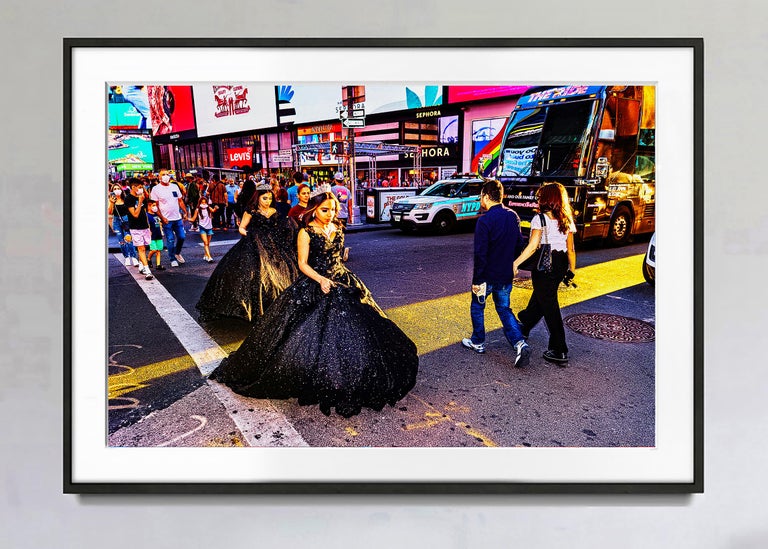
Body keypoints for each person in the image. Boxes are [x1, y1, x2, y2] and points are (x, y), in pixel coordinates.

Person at [208, 189, 419, 418]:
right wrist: (320, 279)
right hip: (315, 282)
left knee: (359, 330)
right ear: (314, 210)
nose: (330, 214)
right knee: (305, 334)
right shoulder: (305, 233)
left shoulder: (338, 227)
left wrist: (340, 269)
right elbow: (302, 264)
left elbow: (338, 256)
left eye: (333, 209)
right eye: (324, 210)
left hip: (341, 280)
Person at [195, 183, 300, 322]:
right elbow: (242, 228)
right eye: (264, 198)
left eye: (269, 198)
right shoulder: (251, 211)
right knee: (254, 274)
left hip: (273, 246)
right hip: (254, 245)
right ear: (258, 198)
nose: (267, 201)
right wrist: (250, 235)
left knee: (278, 274)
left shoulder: (274, 211)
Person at [461, 179, 530, 368]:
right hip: (505, 274)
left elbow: (480, 254)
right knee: (504, 309)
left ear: (485, 196)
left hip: (487, 275)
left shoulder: (484, 221)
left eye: (480, 196)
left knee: (477, 307)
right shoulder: (512, 216)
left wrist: (477, 280)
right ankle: (519, 343)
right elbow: (519, 244)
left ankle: (478, 341)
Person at [513, 182, 577, 365]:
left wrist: (515, 263)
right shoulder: (567, 220)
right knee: (543, 296)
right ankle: (525, 323)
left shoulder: (539, 219)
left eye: (540, 196)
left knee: (550, 305)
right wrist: (571, 270)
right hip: (561, 264)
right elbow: (571, 249)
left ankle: (559, 349)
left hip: (545, 265)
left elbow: (533, 246)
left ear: (546, 199)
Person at [150, 170, 187, 267]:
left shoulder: (174, 186)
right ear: (159, 177)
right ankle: (172, 258)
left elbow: (180, 201)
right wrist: (162, 218)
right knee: (170, 239)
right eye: (163, 175)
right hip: (166, 219)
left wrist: (185, 212)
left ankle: (177, 252)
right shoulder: (156, 189)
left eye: (167, 174)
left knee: (182, 237)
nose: (166, 176)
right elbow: (155, 206)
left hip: (177, 218)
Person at [123, 178, 154, 280]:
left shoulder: (142, 197)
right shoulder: (128, 199)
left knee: (144, 247)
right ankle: (147, 270)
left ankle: (141, 264)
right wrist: (140, 202)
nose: (142, 189)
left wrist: (149, 226)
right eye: (140, 187)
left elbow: (144, 213)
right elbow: (135, 214)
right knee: (140, 248)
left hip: (144, 226)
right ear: (133, 187)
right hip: (135, 227)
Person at [107, 183, 139, 267]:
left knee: (128, 239)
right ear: (112, 191)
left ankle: (133, 257)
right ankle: (127, 257)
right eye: (115, 189)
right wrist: (111, 202)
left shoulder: (126, 199)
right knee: (121, 241)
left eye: (118, 188)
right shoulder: (111, 200)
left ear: (121, 190)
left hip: (126, 220)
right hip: (116, 221)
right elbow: (110, 212)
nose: (117, 190)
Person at [188, 196, 218, 263]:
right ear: (200, 203)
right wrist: (186, 218)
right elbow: (193, 219)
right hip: (202, 227)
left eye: (205, 203)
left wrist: (216, 208)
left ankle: (206, 254)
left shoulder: (208, 208)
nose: (203, 204)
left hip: (209, 227)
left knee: (208, 243)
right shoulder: (198, 210)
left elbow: (213, 211)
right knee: (206, 242)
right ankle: (209, 257)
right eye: (202, 202)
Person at [146, 200, 166, 271]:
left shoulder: (156, 215)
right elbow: (147, 225)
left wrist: (161, 230)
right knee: (153, 249)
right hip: (152, 235)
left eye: (155, 205)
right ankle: (148, 259)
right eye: (153, 205)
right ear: (149, 206)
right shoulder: (147, 215)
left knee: (158, 250)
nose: (155, 207)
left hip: (158, 234)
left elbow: (159, 223)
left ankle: (158, 265)